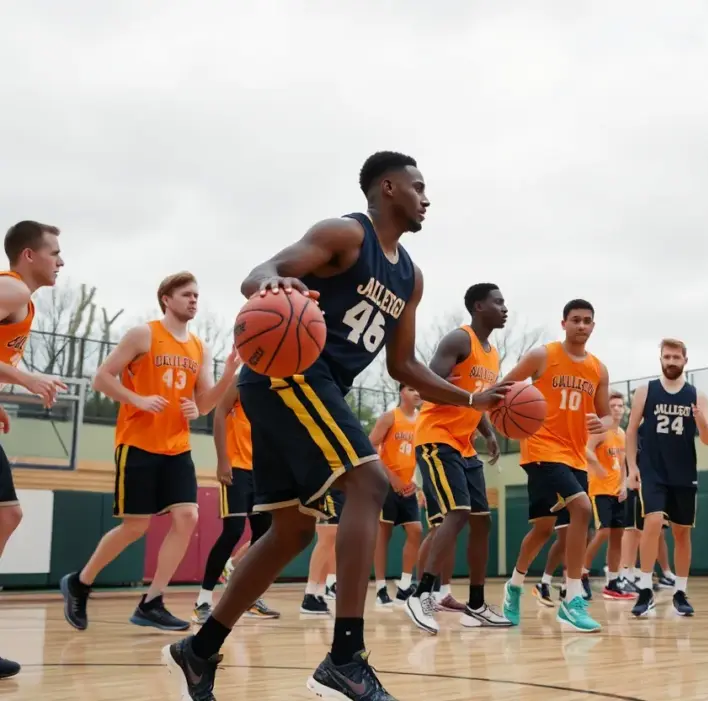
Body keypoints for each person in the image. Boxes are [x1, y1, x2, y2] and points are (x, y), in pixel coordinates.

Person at [162, 151, 510, 701]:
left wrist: (473, 396)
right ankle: (345, 659)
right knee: (368, 482)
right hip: (288, 373)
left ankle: (199, 650)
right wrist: (280, 287)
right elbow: (259, 274)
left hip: (312, 387)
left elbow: (404, 367)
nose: (427, 197)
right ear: (389, 188)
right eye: (419, 187)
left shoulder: (410, 277)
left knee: (293, 531)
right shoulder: (346, 234)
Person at [61, 271, 240, 632]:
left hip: (177, 447)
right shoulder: (144, 334)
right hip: (138, 443)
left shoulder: (199, 348)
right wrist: (136, 398)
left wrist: (226, 376)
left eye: (196, 295)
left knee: (187, 517)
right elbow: (102, 377)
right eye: (187, 294)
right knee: (134, 527)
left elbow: (203, 403)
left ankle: (152, 601)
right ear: (166, 299)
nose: (194, 300)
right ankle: (80, 582)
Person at [501, 299, 612, 634]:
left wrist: (602, 423)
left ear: (593, 326)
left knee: (544, 530)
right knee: (581, 509)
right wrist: (497, 422)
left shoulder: (598, 369)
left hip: (575, 454)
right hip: (541, 449)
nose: (582, 325)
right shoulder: (543, 356)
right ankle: (572, 598)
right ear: (563, 323)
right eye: (575, 320)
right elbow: (505, 388)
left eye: (587, 321)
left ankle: (514, 586)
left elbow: (606, 414)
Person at [405, 283, 511, 633]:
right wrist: (470, 402)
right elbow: (426, 386)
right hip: (436, 438)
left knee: (482, 521)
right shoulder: (458, 340)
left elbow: (474, 397)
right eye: (498, 302)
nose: (504, 307)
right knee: (458, 512)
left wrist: (487, 432)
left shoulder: (492, 353)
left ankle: (476, 604)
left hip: (464, 444)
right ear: (479, 307)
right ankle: (421, 595)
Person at [0, 221, 67, 680]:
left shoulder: (23, 303)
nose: (60, 261)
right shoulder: (11, 293)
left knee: (7, 514)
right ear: (28, 255)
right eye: (54, 252)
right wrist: (24, 378)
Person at [626, 339, 708, 617]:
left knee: (681, 532)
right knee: (651, 522)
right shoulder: (645, 391)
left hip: (683, 472)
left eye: (676, 357)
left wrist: (700, 419)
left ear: (685, 360)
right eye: (667, 356)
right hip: (652, 470)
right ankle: (644, 589)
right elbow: (630, 431)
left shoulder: (697, 395)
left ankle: (680, 591)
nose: (671, 361)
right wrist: (632, 468)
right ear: (660, 359)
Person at [192, 380, 279, 623]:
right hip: (237, 468)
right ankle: (203, 601)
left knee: (264, 539)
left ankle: (249, 598)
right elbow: (219, 412)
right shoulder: (243, 380)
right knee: (233, 531)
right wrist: (222, 460)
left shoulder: (277, 388)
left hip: (263, 471)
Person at [367, 384, 422, 606]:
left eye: (417, 390)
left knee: (416, 531)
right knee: (384, 535)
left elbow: (420, 456)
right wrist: (393, 478)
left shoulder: (423, 420)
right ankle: (381, 588)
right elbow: (370, 447)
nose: (417, 392)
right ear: (401, 393)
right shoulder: (390, 417)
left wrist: (417, 485)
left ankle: (404, 586)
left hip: (409, 487)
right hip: (386, 484)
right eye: (411, 389)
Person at [583, 390, 634, 600]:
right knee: (603, 532)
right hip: (599, 490)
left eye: (620, 406)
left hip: (617, 492)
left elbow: (623, 464)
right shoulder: (600, 430)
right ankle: (581, 574)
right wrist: (596, 465)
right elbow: (585, 449)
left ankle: (612, 584)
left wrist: (623, 484)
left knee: (617, 536)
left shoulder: (622, 434)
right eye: (612, 406)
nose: (616, 409)